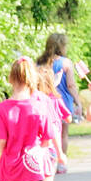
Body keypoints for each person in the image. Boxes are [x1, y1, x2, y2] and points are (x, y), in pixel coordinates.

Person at [36, 32, 82, 169]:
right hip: (62, 102)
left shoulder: (39, 62)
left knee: (45, 134)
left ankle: (47, 161)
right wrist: (78, 102)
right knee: (63, 134)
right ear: (61, 46)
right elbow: (71, 85)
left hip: (43, 101)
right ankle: (60, 164)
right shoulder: (66, 63)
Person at [33, 65, 70, 181]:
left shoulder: (33, 100)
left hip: (34, 147)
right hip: (51, 148)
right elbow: (67, 118)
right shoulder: (54, 100)